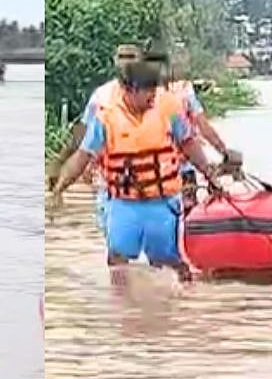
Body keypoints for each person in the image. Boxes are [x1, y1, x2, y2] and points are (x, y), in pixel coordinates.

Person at [47, 61, 218, 278]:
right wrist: (59, 189)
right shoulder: (106, 117)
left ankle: (184, 296)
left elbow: (189, 144)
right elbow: (83, 155)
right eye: (148, 91)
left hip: (161, 203)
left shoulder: (169, 109)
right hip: (123, 204)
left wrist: (209, 174)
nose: (153, 96)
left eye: (154, 90)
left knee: (168, 261)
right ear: (129, 90)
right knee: (117, 260)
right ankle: (121, 299)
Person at [48, 44, 144, 236]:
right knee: (116, 246)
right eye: (122, 57)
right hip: (112, 188)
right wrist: (60, 174)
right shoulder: (102, 97)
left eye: (131, 57)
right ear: (114, 61)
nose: (126, 62)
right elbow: (81, 140)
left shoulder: (157, 96)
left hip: (153, 190)